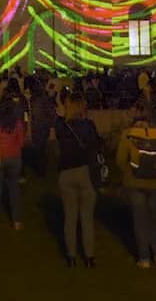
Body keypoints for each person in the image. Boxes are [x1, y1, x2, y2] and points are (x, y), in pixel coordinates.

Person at [115, 103, 156, 269]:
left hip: (135, 182)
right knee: (154, 219)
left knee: (140, 221)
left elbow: (120, 160)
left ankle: (144, 258)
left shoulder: (128, 134)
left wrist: (128, 173)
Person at [53, 96, 102, 268]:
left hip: (66, 173)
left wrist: (60, 115)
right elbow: (97, 144)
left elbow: (57, 129)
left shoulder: (62, 127)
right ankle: (89, 257)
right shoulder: (88, 126)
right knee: (87, 218)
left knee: (70, 217)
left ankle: (71, 256)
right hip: (85, 172)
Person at [0, 96, 27, 230]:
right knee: (14, 189)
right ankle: (17, 221)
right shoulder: (17, 123)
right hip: (14, 158)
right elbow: (21, 143)